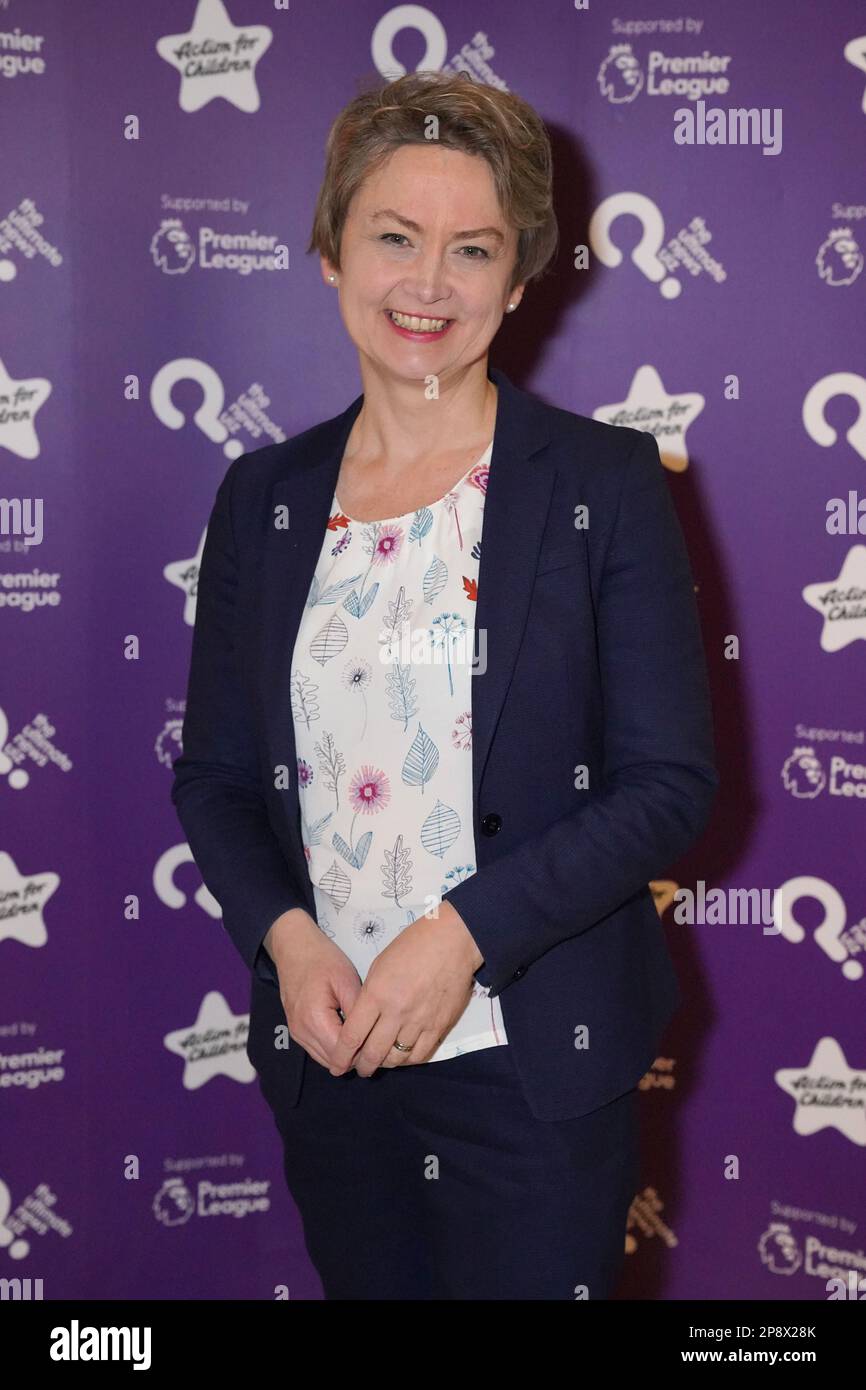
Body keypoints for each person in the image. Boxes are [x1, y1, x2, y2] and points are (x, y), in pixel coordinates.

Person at [171, 70, 718, 1301]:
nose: (427, 284)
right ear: (329, 251)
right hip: (332, 1058)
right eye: (392, 238)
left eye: (470, 249)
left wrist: (461, 934)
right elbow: (211, 776)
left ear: (518, 278)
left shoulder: (605, 482)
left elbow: (666, 784)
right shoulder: (260, 499)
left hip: (531, 1069)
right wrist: (284, 935)